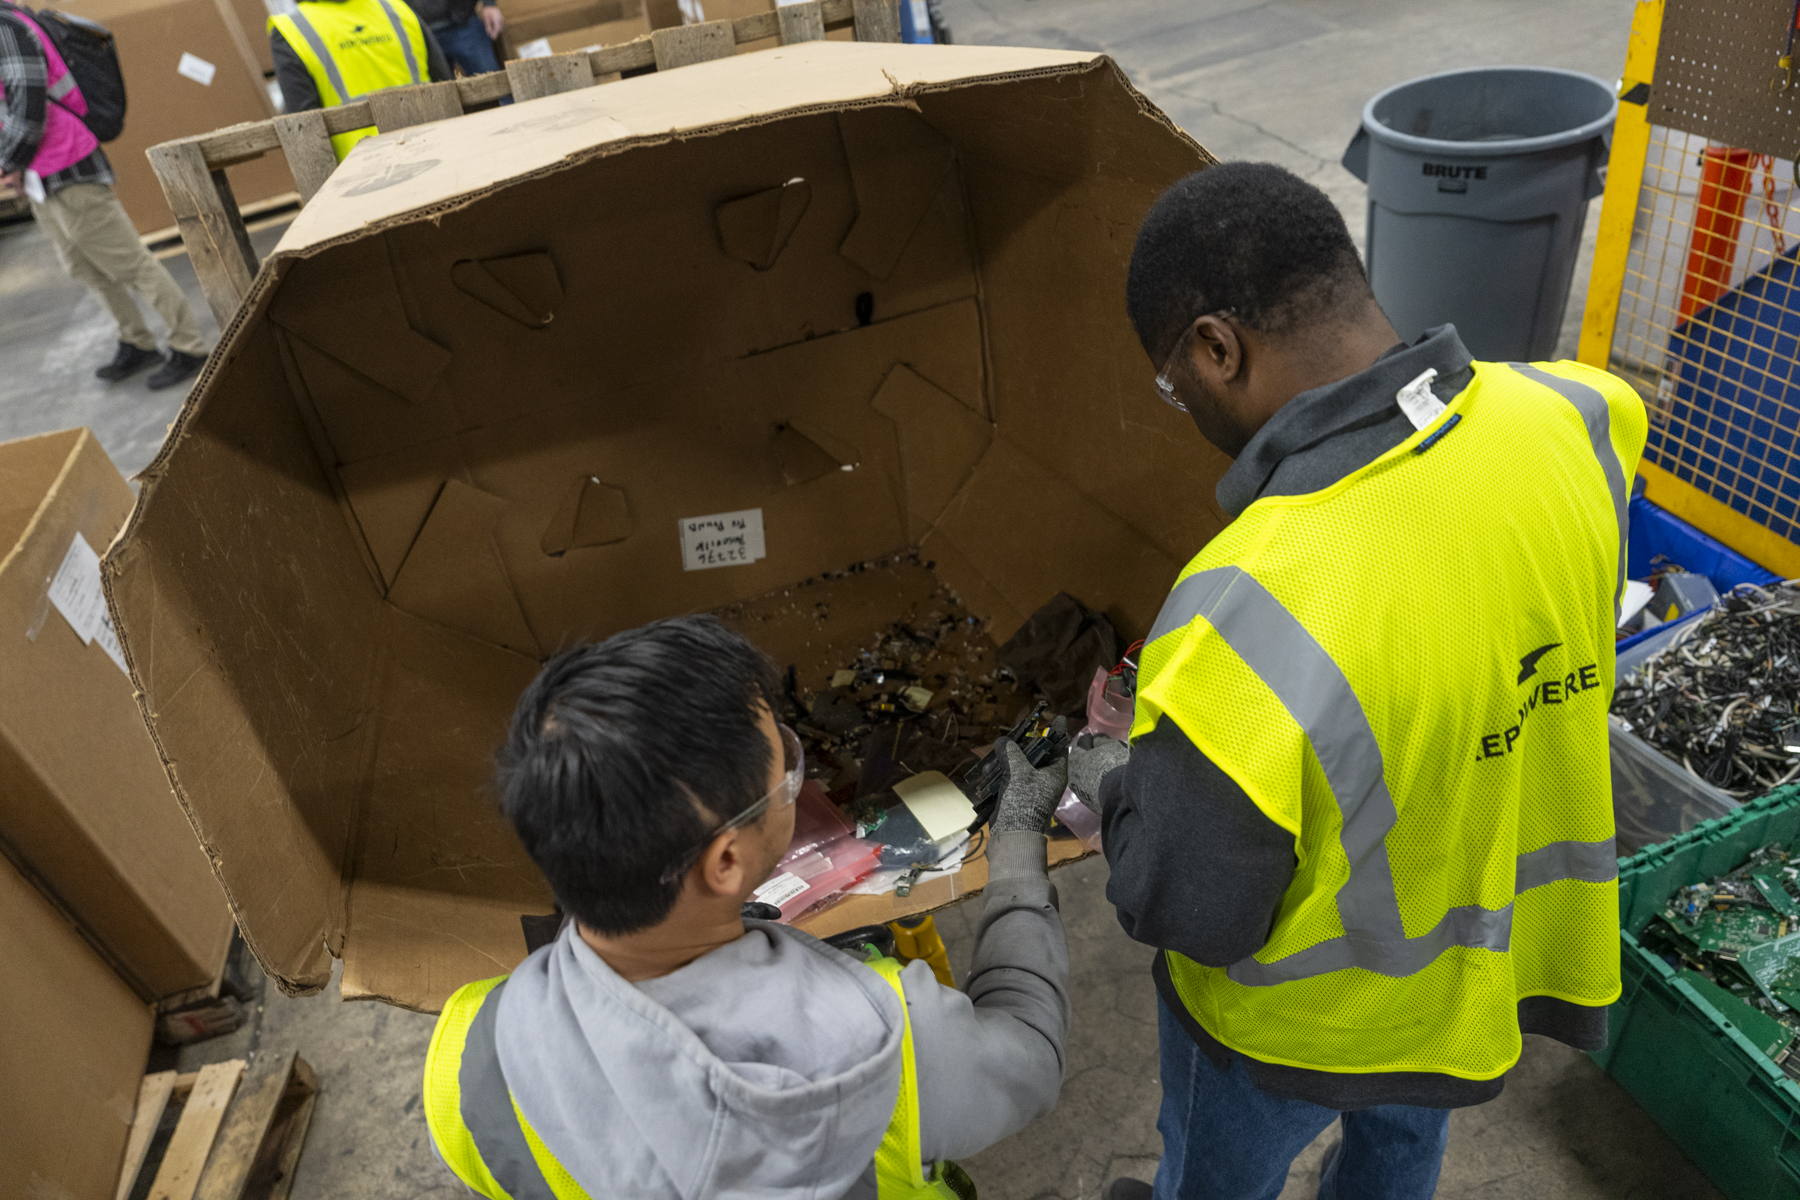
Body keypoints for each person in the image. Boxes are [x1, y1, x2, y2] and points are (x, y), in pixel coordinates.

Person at [1077, 162, 1645, 1200]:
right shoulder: (1582, 414)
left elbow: (1190, 905)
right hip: (1466, 978)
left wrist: (1116, 778)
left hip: (1296, 1026)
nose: (1184, 402)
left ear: (1216, 347)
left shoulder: (1245, 603)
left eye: (1177, 382)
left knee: (1214, 1180)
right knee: (1397, 1154)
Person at [422, 615, 1072, 1198]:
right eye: (786, 768)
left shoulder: (466, 1053)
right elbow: (1030, 1059)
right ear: (725, 863)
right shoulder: (888, 1034)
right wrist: (1016, 845)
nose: (800, 776)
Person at [0, 3, 209, 389]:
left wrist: (8, 162)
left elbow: (27, 103)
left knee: (130, 263)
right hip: (37, 171)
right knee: (84, 266)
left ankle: (189, 345)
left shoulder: (5, 27)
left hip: (66, 162)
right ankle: (136, 340)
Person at [270, 0, 455, 160]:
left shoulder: (293, 29)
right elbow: (445, 83)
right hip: (433, 147)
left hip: (361, 170)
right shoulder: (396, 8)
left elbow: (304, 126)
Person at [409, 0, 503, 81]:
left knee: (494, 84)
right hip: (421, 29)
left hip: (464, 21)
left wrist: (489, 4)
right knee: (438, 95)